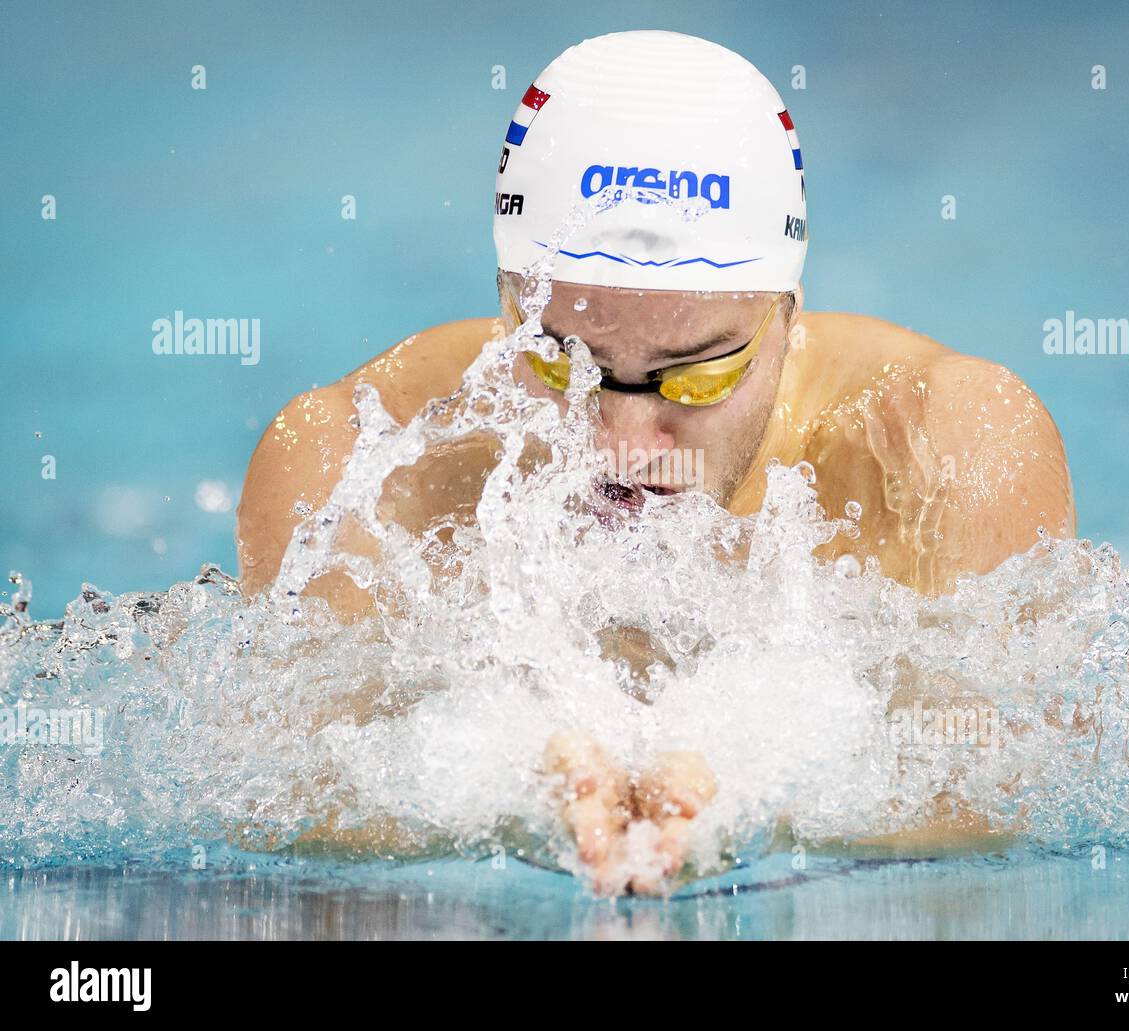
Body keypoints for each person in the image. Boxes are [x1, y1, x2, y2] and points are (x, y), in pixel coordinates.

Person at [236, 30, 1075, 894]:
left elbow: (997, 810)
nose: (625, 447)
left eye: (701, 373)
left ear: (787, 316)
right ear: (506, 302)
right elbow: (290, 818)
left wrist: (757, 795)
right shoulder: (358, 461)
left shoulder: (945, 446)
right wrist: (505, 787)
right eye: (566, 362)